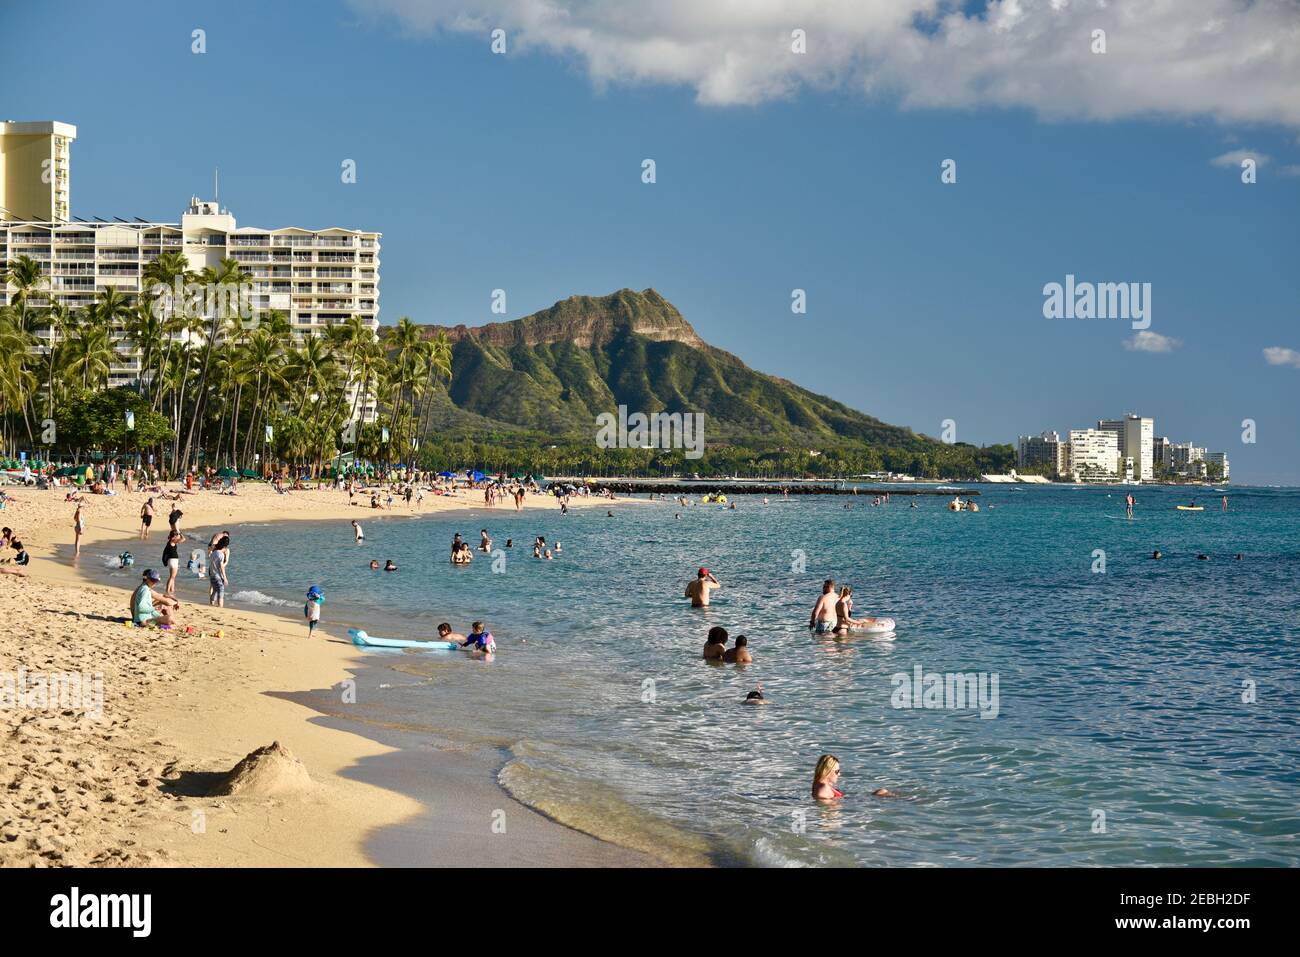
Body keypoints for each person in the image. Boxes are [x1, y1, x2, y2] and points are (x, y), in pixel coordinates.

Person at [811, 754, 892, 801]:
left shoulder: (819, 785)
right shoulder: (823, 789)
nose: (839, 774)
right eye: (837, 771)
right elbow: (827, 808)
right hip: (855, 801)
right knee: (882, 792)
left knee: (882, 792)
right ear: (828, 771)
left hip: (853, 799)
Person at [161, 529, 184, 596]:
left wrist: (178, 534)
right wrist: (180, 533)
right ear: (173, 536)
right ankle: (167, 590)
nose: (178, 536)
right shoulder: (173, 541)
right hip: (173, 560)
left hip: (172, 560)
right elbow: (183, 539)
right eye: (176, 535)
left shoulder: (170, 541)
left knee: (172, 577)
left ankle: (172, 590)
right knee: (172, 577)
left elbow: (182, 539)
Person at [208, 536, 229, 606]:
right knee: (221, 592)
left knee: (214, 591)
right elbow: (221, 567)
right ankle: (220, 607)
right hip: (217, 576)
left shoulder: (213, 553)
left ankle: (212, 604)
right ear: (225, 547)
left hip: (212, 575)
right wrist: (225, 578)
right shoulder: (221, 554)